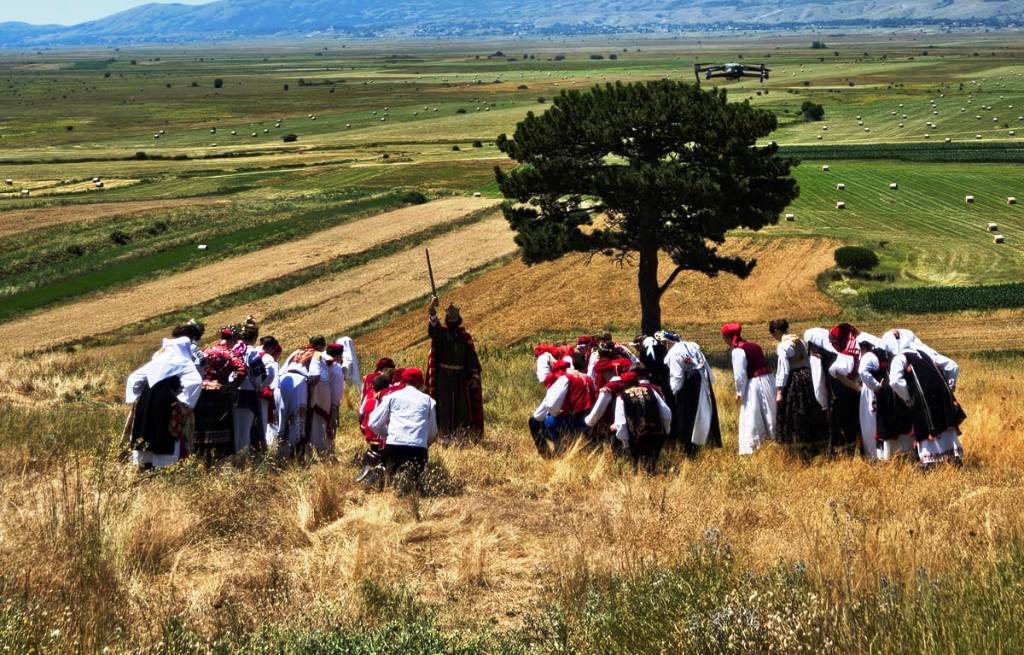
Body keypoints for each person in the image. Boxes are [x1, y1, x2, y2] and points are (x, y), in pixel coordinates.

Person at [884, 329, 966, 468]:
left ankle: (931, 463)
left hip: (922, 398)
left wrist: (907, 398)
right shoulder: (925, 352)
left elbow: (895, 382)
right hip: (941, 395)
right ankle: (953, 459)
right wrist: (948, 387)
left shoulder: (900, 358)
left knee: (927, 424)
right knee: (945, 425)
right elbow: (952, 366)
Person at [124, 336, 203, 470]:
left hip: (146, 401)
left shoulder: (157, 361)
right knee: (166, 432)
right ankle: (164, 468)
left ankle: (145, 465)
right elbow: (195, 381)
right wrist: (183, 402)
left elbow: (134, 379)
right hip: (168, 402)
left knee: (145, 429)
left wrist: (136, 397)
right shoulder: (183, 361)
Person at [368, 368, 438, 487]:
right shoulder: (429, 401)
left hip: (394, 447)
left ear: (403, 382)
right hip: (418, 449)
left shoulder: (392, 397)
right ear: (420, 384)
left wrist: (388, 434)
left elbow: (373, 423)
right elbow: (433, 433)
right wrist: (422, 443)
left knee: (390, 484)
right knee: (416, 486)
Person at [769, 319, 829, 457]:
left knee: (795, 414)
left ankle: (799, 450)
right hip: (808, 378)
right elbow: (807, 361)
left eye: (773, 334)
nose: (774, 337)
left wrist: (779, 391)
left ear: (776, 331)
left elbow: (783, 370)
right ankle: (818, 446)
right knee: (811, 410)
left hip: (794, 381)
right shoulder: (799, 341)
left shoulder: (784, 346)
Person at [427, 297, 484, 439]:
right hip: (442, 378)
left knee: (462, 407)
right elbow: (433, 330)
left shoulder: (465, 338)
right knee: (443, 406)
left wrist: (474, 377)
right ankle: (443, 435)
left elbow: (472, 359)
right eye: (450, 318)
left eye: (454, 318)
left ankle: (462, 435)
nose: (452, 320)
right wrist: (432, 310)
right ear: (447, 319)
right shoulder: (441, 334)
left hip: (460, 378)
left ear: (458, 319)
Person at [827, 323, 882, 458]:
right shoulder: (864, 342)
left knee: (866, 424)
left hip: (866, 390)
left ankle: (871, 456)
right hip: (880, 386)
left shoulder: (849, 351)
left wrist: (858, 388)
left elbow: (835, 371)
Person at [194, 326, 248, 461]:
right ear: (233, 339)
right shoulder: (228, 353)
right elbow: (242, 369)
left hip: (201, 391)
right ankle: (218, 457)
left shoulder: (206, 350)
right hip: (218, 392)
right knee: (219, 425)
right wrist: (232, 386)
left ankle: (201, 456)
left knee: (202, 426)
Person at [721, 323, 776, 455]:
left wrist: (739, 392)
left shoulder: (738, 350)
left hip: (754, 384)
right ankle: (775, 441)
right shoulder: (754, 345)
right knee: (771, 412)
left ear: (726, 337)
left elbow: (740, 375)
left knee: (752, 414)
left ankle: (754, 447)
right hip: (769, 380)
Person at [858, 338, 915, 462]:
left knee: (876, 423)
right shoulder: (889, 355)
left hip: (881, 394)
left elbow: (862, 371)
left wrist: (876, 387)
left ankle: (880, 457)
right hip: (893, 392)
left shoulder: (870, 355)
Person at [665, 334, 722, 452]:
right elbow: (704, 364)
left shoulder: (674, 352)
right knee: (705, 411)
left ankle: (690, 447)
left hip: (690, 386)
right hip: (703, 381)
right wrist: (710, 380)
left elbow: (677, 375)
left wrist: (674, 392)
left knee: (688, 415)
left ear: (667, 342)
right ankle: (708, 441)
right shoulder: (692, 347)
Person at [530, 359, 597, 456]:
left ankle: (549, 453)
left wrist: (553, 413)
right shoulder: (587, 377)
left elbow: (551, 405)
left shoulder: (564, 379)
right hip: (586, 418)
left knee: (534, 422)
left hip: (570, 421)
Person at [614, 370, 673, 473]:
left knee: (638, 470)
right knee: (652, 467)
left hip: (636, 439)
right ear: (637, 381)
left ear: (624, 384)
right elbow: (667, 414)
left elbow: (622, 423)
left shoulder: (622, 396)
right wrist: (666, 431)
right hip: (656, 436)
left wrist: (626, 444)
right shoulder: (651, 391)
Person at [232, 316, 273, 456]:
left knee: (236, 430)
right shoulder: (252, 353)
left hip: (233, 393)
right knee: (245, 432)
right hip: (248, 393)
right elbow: (258, 378)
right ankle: (242, 461)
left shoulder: (234, 350)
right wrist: (261, 386)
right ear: (255, 337)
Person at [286, 336, 333, 457]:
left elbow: (283, 369)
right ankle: (298, 454)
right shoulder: (317, 354)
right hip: (300, 383)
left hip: (285, 380)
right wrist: (311, 393)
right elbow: (315, 375)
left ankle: (283, 450)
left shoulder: (297, 351)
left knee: (286, 417)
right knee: (300, 420)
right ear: (320, 346)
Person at [272, 355, 309, 459]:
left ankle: (280, 453)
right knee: (297, 420)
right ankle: (294, 453)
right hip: (300, 384)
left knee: (281, 419)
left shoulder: (296, 355)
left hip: (283, 381)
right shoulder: (312, 356)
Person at [325, 341, 348, 447]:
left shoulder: (322, 363)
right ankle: (330, 452)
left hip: (319, 401)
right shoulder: (336, 368)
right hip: (331, 403)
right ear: (338, 355)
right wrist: (334, 409)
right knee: (331, 427)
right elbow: (337, 392)